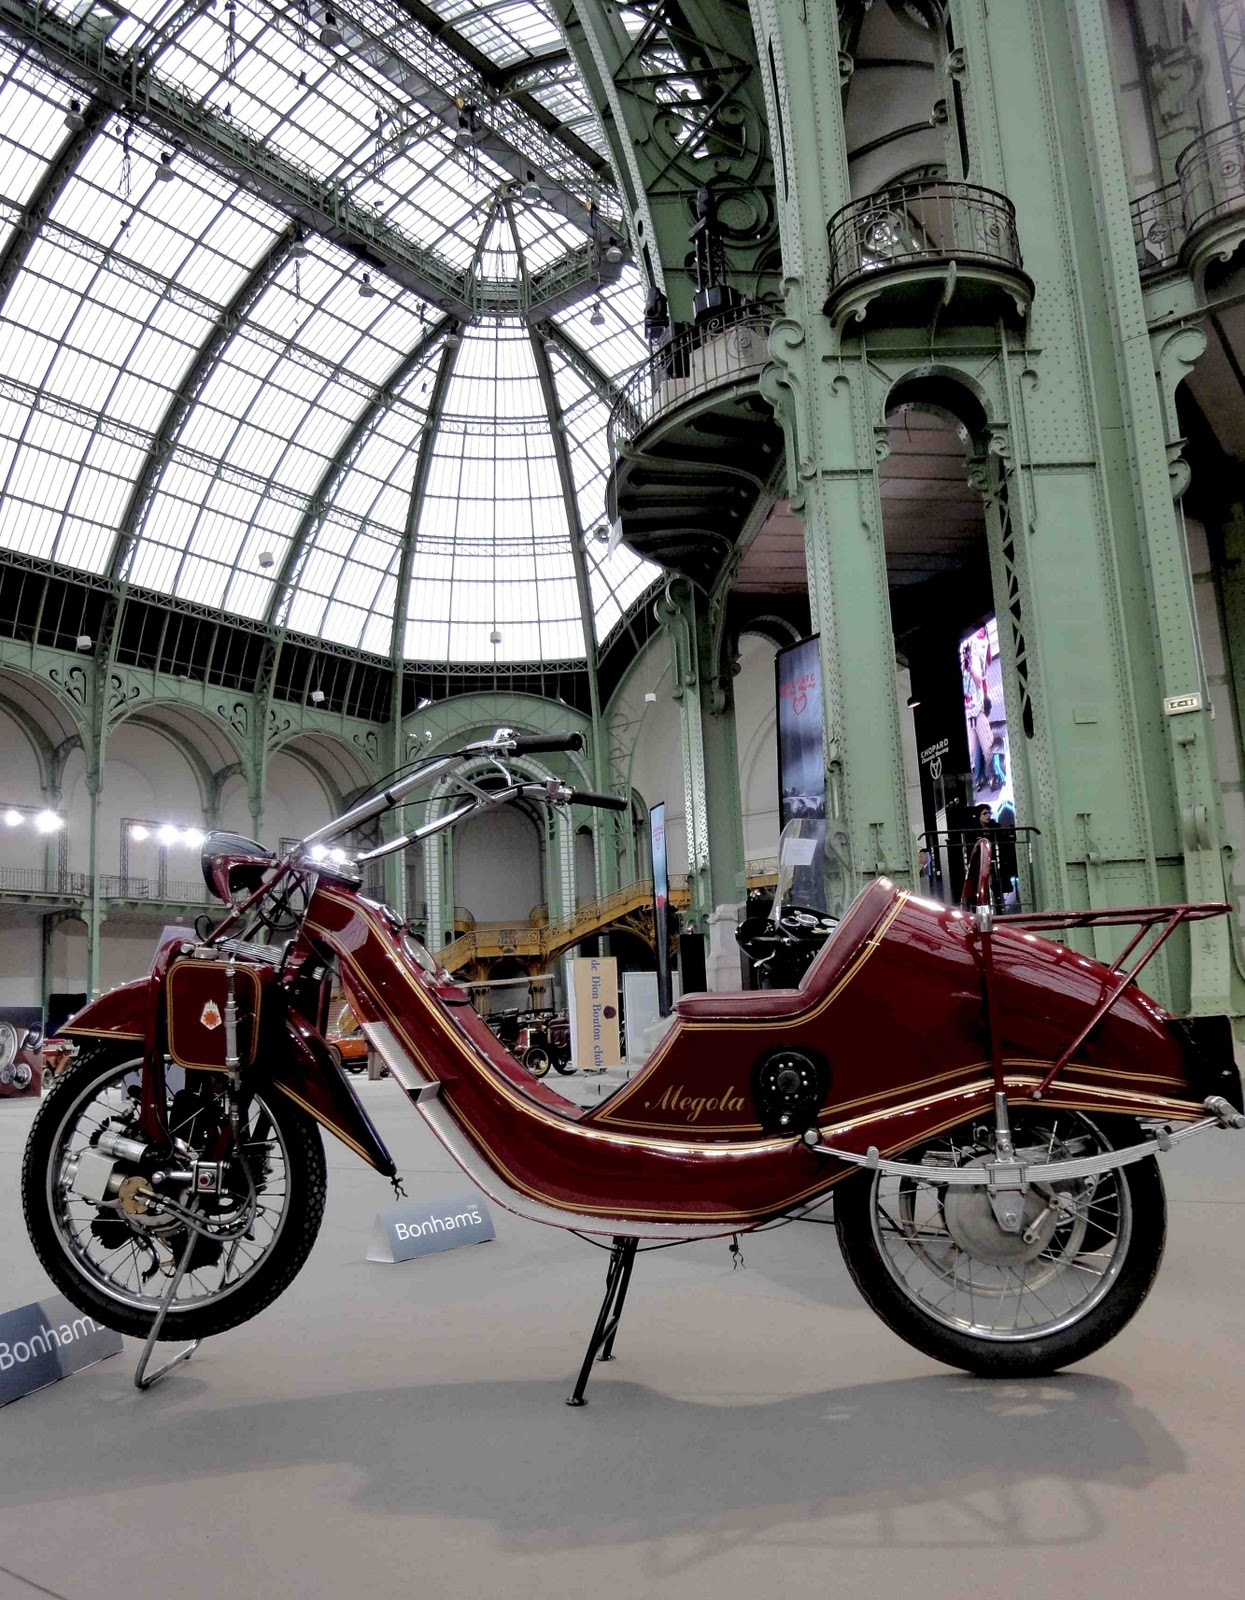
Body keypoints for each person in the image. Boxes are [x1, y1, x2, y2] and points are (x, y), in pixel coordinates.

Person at [962, 628, 994, 795]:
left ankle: (990, 776)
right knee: (974, 749)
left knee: (986, 744)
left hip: (979, 703)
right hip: (971, 708)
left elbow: (980, 675)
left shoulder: (978, 645)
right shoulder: (971, 647)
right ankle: (979, 778)